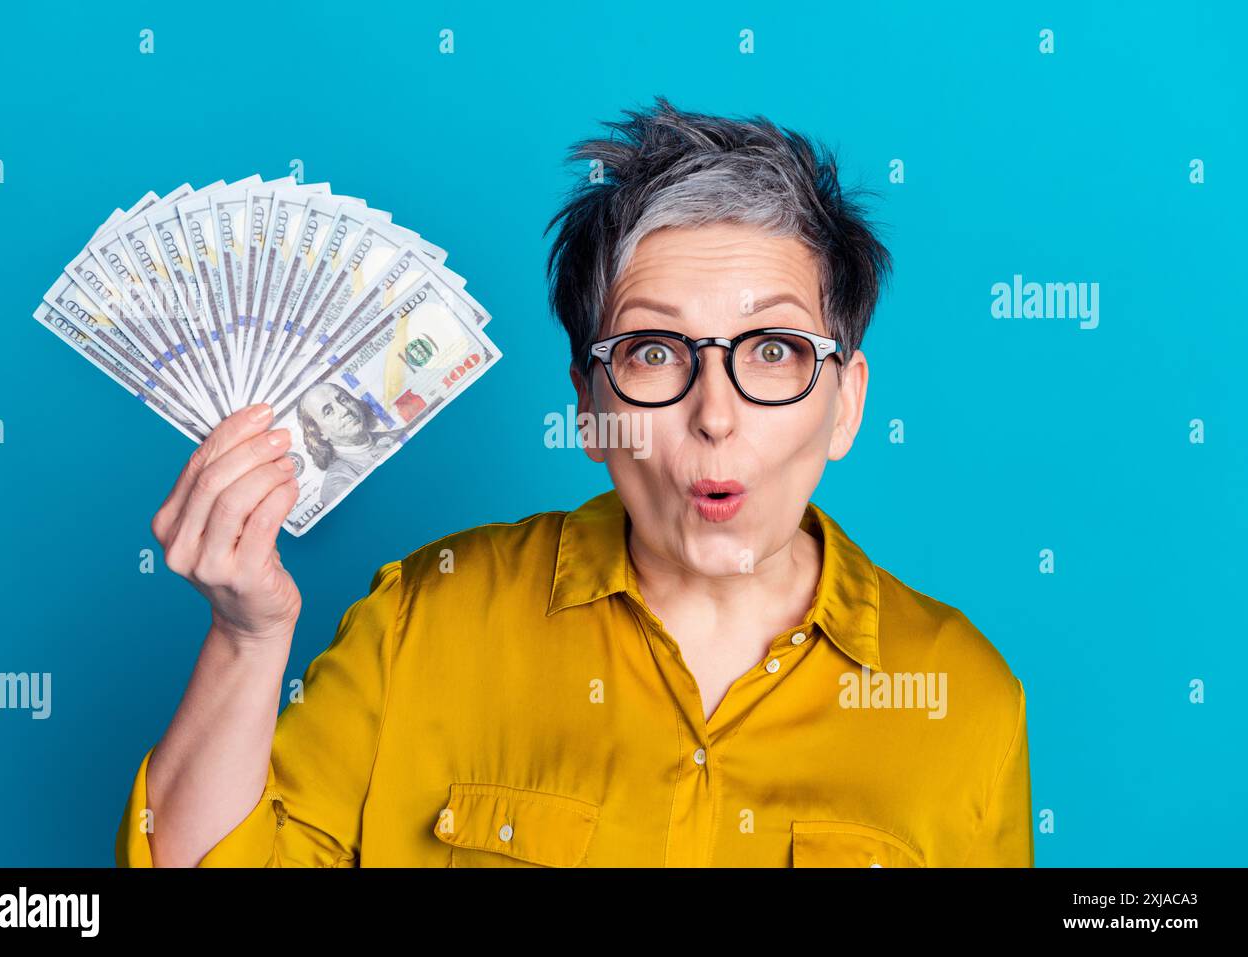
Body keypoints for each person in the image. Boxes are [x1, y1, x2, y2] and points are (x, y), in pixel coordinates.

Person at [116, 96, 1032, 868]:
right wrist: (246, 638)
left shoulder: (968, 698)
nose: (714, 413)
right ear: (590, 406)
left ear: (846, 404)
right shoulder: (421, 620)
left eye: (775, 349)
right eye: (653, 351)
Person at [296, 382, 401, 507]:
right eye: (329, 412)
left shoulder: (400, 435)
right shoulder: (338, 484)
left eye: (344, 399)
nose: (344, 410)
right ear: (320, 433)